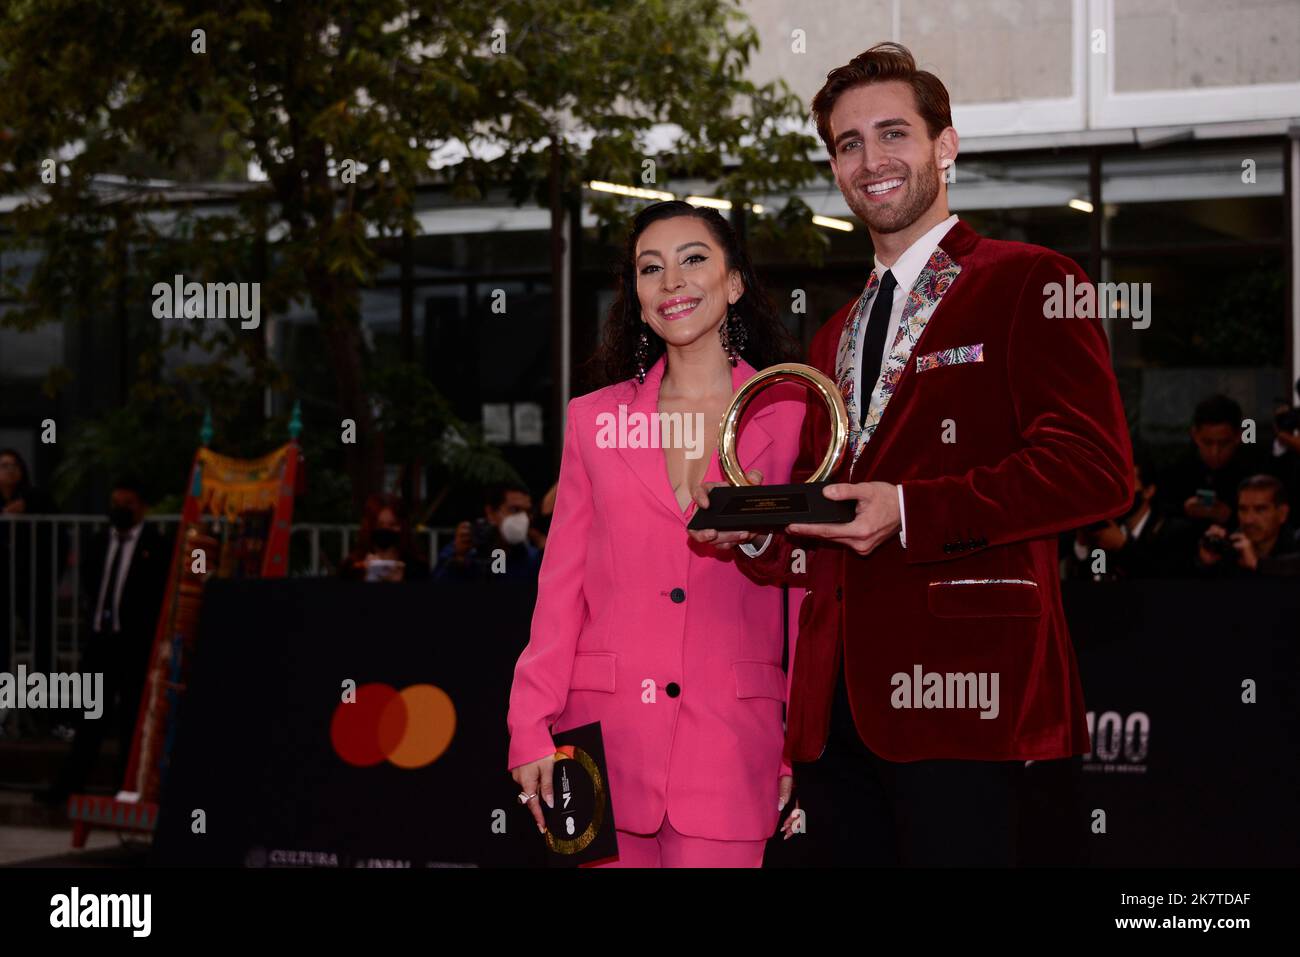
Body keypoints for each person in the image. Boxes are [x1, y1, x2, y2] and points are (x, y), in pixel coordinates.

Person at [692, 43, 1133, 866]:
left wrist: (912, 508)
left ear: (946, 145)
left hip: (972, 700)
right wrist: (755, 534)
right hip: (835, 713)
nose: (872, 160)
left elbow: (1095, 469)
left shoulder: (1032, 280)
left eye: (893, 133)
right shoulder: (834, 332)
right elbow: (830, 515)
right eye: (849, 143)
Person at [507, 200, 806, 867]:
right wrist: (529, 723)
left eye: (693, 259)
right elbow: (560, 590)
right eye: (650, 268)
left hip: (733, 742)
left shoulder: (791, 414)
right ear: (638, 300)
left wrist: (798, 744)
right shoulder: (594, 421)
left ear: (734, 283)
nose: (672, 281)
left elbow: (804, 593)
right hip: (599, 741)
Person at [36, 475, 172, 806]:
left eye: (128, 504)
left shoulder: (157, 545)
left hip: (134, 643)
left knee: (131, 718)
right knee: (89, 717)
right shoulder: (100, 541)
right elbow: (90, 582)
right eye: (115, 504)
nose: (120, 510)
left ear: (142, 507)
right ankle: (69, 786)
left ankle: (126, 787)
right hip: (101, 640)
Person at [1066, 452, 1197, 580]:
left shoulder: (1172, 531)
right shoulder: (1106, 528)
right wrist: (1082, 544)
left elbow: (1165, 579)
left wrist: (1123, 547)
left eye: (1127, 483)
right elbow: (1092, 578)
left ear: (1148, 491)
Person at [1155, 394, 1266, 536]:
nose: (1215, 452)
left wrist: (1231, 516)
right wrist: (1183, 510)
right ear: (1195, 435)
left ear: (1238, 436)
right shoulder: (1174, 473)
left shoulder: (1254, 474)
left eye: (1224, 443)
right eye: (1207, 443)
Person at [0, 448, 60, 679]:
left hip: (31, 577)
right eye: (4, 466)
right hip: (4, 577)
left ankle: (45, 687)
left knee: (41, 633)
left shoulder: (33, 496)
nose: (10, 470)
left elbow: (51, 510)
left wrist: (26, 506)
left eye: (14, 465)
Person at [1196, 474, 1299, 578]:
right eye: (1243, 509)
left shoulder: (1296, 543)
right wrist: (1207, 564)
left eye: (1260, 510)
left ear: (1282, 514)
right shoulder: (1230, 546)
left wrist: (1257, 563)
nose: (1248, 520)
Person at [434, 483, 541, 582]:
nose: (523, 518)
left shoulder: (533, 558)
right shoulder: (463, 550)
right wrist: (458, 560)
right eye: (514, 510)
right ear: (491, 512)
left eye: (527, 512)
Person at [338, 493, 430, 582]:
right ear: (369, 526)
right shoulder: (353, 566)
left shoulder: (418, 568)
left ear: (403, 526)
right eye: (379, 525)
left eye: (393, 524)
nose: (385, 530)